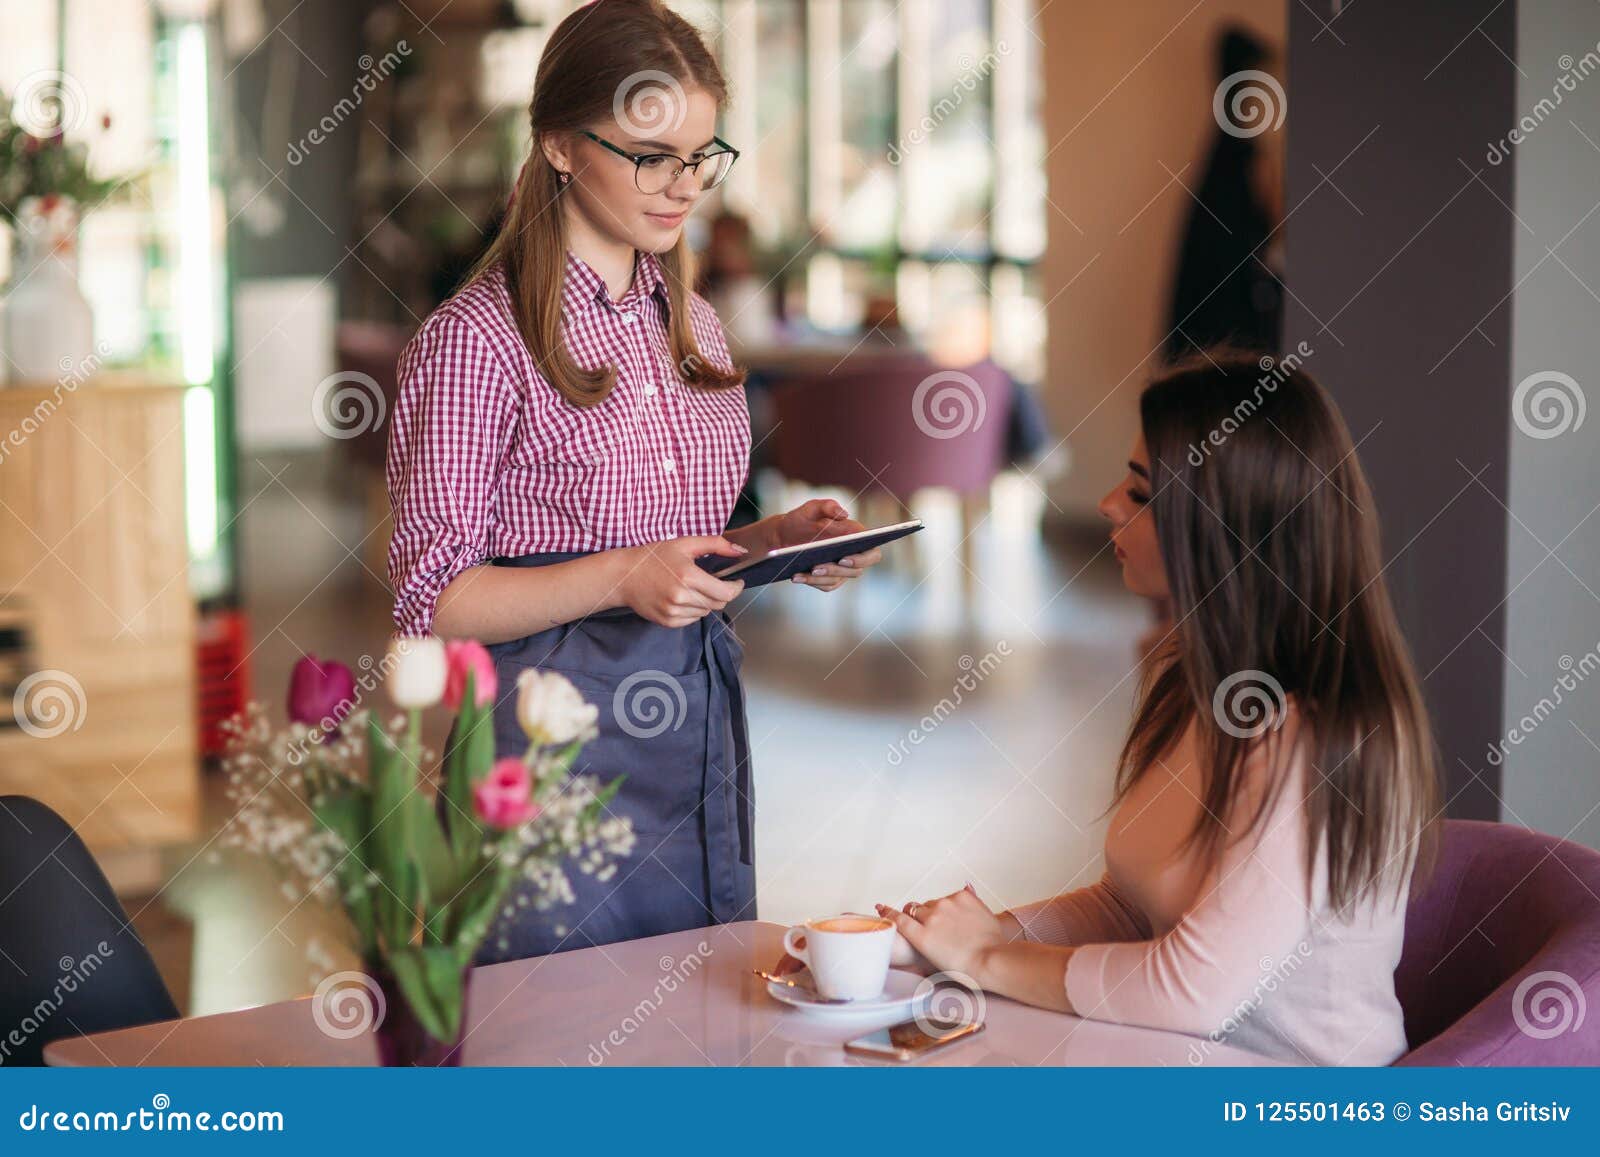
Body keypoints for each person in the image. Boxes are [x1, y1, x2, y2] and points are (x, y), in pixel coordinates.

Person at [385, 0, 882, 961]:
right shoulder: (475, 342)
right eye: (651, 156)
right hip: (546, 745)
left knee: (698, 1012)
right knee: (550, 1030)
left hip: (692, 724)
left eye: (700, 156)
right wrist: (621, 575)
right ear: (559, 146)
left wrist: (773, 544)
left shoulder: (694, 326)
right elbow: (431, 599)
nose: (683, 186)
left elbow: (675, 550)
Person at [876, 352, 1441, 1065]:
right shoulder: (1204, 678)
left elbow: (1188, 992)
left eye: (1142, 493)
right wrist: (968, 939)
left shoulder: (1311, 734)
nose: (1109, 503)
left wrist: (987, 959)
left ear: (1226, 526)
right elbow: (1130, 908)